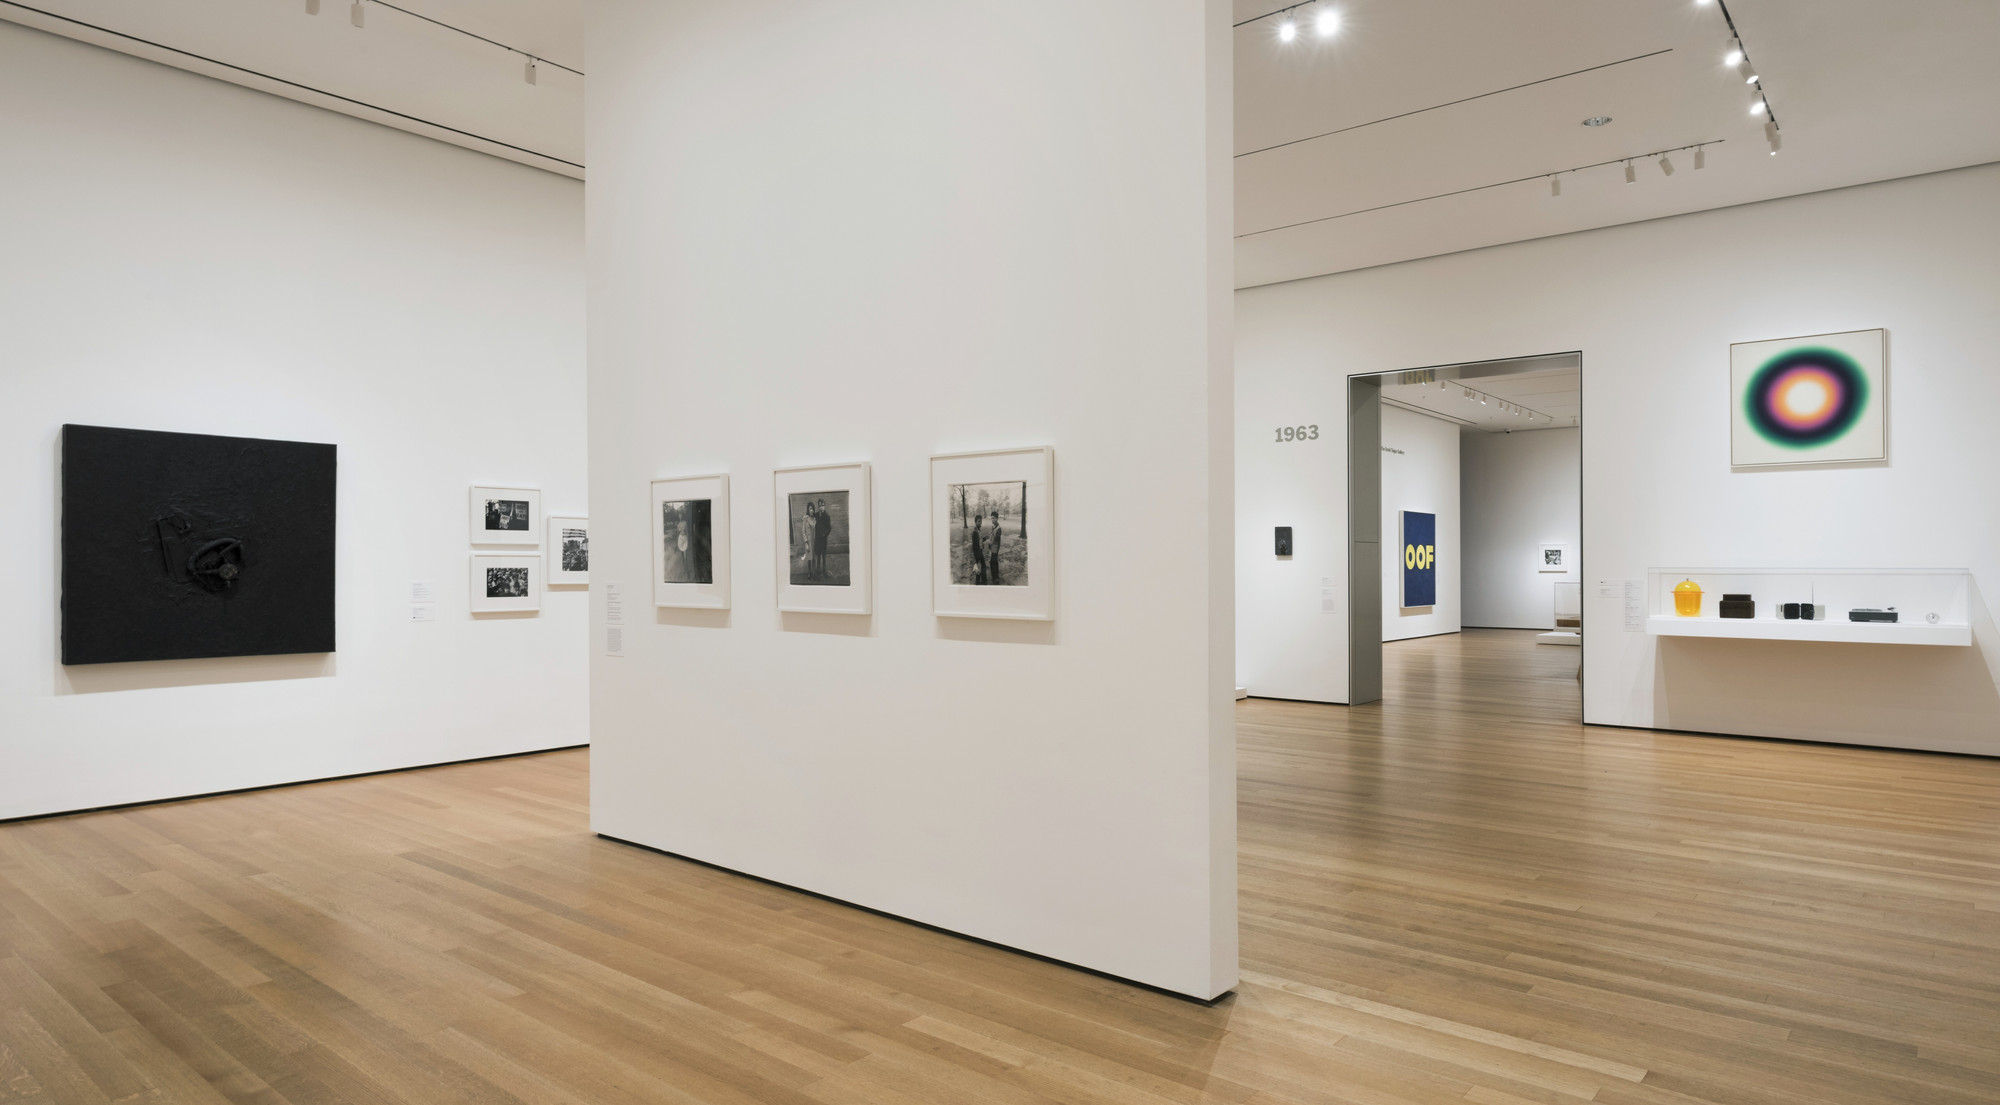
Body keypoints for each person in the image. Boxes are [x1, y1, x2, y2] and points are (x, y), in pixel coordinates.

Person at [813, 498, 832, 578]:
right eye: (820, 506)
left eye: (822, 506)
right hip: (817, 540)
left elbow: (829, 528)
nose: (821, 507)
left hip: (823, 540)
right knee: (818, 556)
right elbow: (810, 517)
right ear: (818, 506)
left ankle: (824, 571)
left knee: (823, 556)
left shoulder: (827, 516)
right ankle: (818, 571)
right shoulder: (816, 515)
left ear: (824, 506)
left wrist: (825, 534)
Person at [798, 501, 816, 579]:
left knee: (814, 557)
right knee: (809, 558)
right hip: (808, 542)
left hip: (814, 541)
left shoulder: (815, 519)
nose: (812, 510)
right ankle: (809, 572)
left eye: (813, 509)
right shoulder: (805, 519)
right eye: (810, 509)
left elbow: (815, 529)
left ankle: (814, 572)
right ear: (808, 509)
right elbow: (803, 531)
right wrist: (806, 542)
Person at [986, 509, 1004, 584]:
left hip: (995, 548)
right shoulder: (993, 526)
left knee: (993, 562)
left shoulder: (998, 528)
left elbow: (996, 540)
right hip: (993, 546)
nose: (992, 519)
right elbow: (991, 536)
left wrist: (990, 544)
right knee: (994, 562)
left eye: (993, 518)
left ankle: (995, 578)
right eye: (991, 518)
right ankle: (995, 576)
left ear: (997, 518)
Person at [968, 512, 986, 584]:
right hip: (978, 553)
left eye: (981, 521)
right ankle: (979, 582)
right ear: (975, 522)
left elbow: (979, 540)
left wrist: (984, 539)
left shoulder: (978, 530)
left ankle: (982, 580)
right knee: (980, 567)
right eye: (979, 521)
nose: (980, 523)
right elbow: (975, 546)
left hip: (980, 551)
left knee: (981, 566)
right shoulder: (975, 533)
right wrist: (977, 557)